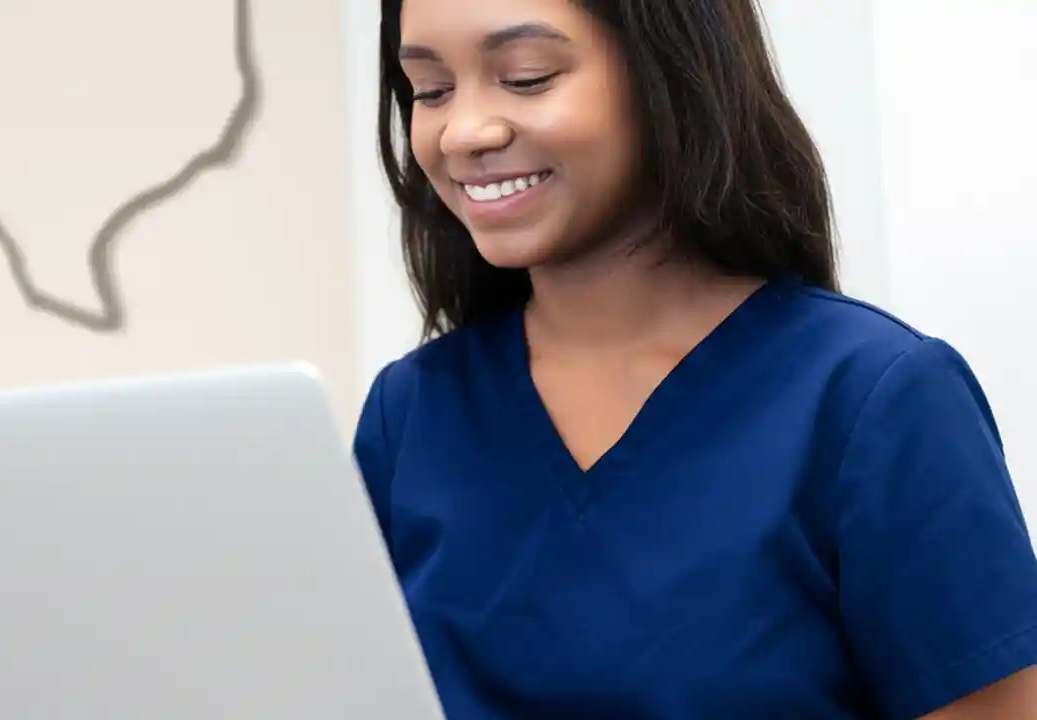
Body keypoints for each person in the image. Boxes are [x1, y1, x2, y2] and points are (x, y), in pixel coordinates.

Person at [352, 0, 1037, 717]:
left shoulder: (874, 398)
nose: (464, 132)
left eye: (526, 78)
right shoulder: (410, 415)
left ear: (669, 71)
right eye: (430, 91)